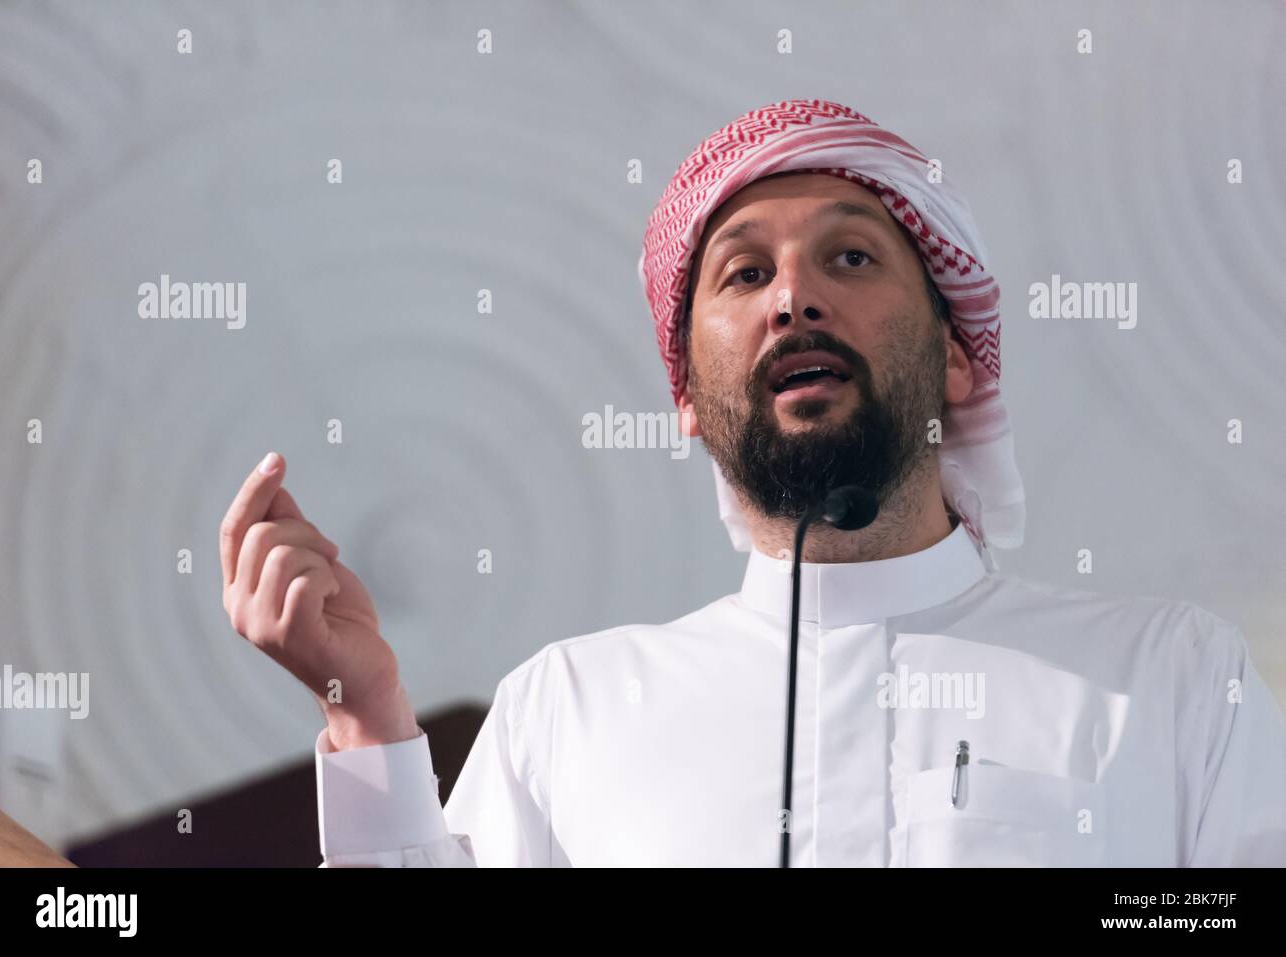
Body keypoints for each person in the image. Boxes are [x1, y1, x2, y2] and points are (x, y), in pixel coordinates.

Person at [219, 100, 1286, 866]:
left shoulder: (1172, 679)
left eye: (852, 259)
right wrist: (363, 717)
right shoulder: (572, 710)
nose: (793, 301)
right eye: (742, 272)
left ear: (958, 358)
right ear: (686, 393)